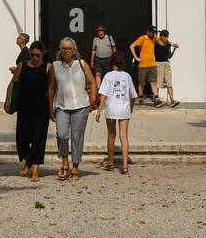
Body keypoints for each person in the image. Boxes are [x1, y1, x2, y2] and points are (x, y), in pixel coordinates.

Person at [48, 37, 97, 182]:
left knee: (77, 137)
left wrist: (92, 101)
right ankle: (64, 161)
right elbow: (50, 89)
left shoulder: (81, 64)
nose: (65, 51)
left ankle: (75, 167)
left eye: (68, 48)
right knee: (62, 135)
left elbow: (93, 83)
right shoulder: (55, 66)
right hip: (62, 106)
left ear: (74, 50)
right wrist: (50, 107)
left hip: (80, 106)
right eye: (63, 48)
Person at [12, 40, 52, 181]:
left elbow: (51, 89)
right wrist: (7, 101)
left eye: (37, 55)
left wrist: (51, 109)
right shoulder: (22, 65)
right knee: (21, 138)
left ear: (42, 55)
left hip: (41, 107)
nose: (34, 57)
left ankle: (34, 169)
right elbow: (14, 83)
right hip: (24, 107)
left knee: (38, 138)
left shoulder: (48, 67)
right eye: (32, 55)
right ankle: (28, 160)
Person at [95, 50, 136, 174]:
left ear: (111, 62)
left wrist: (99, 110)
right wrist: (131, 108)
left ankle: (111, 162)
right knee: (124, 136)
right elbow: (133, 95)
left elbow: (104, 95)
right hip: (124, 109)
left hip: (111, 108)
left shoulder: (108, 76)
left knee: (111, 135)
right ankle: (124, 166)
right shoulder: (127, 76)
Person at [130, 25, 161, 106]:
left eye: (154, 32)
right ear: (148, 32)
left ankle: (156, 98)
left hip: (152, 65)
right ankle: (140, 98)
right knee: (142, 83)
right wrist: (136, 58)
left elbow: (162, 40)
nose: (153, 34)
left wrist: (171, 43)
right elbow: (132, 46)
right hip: (143, 66)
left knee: (153, 83)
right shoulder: (143, 38)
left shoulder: (154, 38)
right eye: (152, 32)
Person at [154, 29, 179, 107]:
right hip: (158, 64)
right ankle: (156, 100)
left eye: (167, 36)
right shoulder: (156, 44)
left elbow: (169, 56)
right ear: (161, 36)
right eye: (165, 36)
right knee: (158, 83)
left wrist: (174, 49)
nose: (166, 38)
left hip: (167, 63)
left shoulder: (168, 44)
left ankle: (172, 100)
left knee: (169, 82)